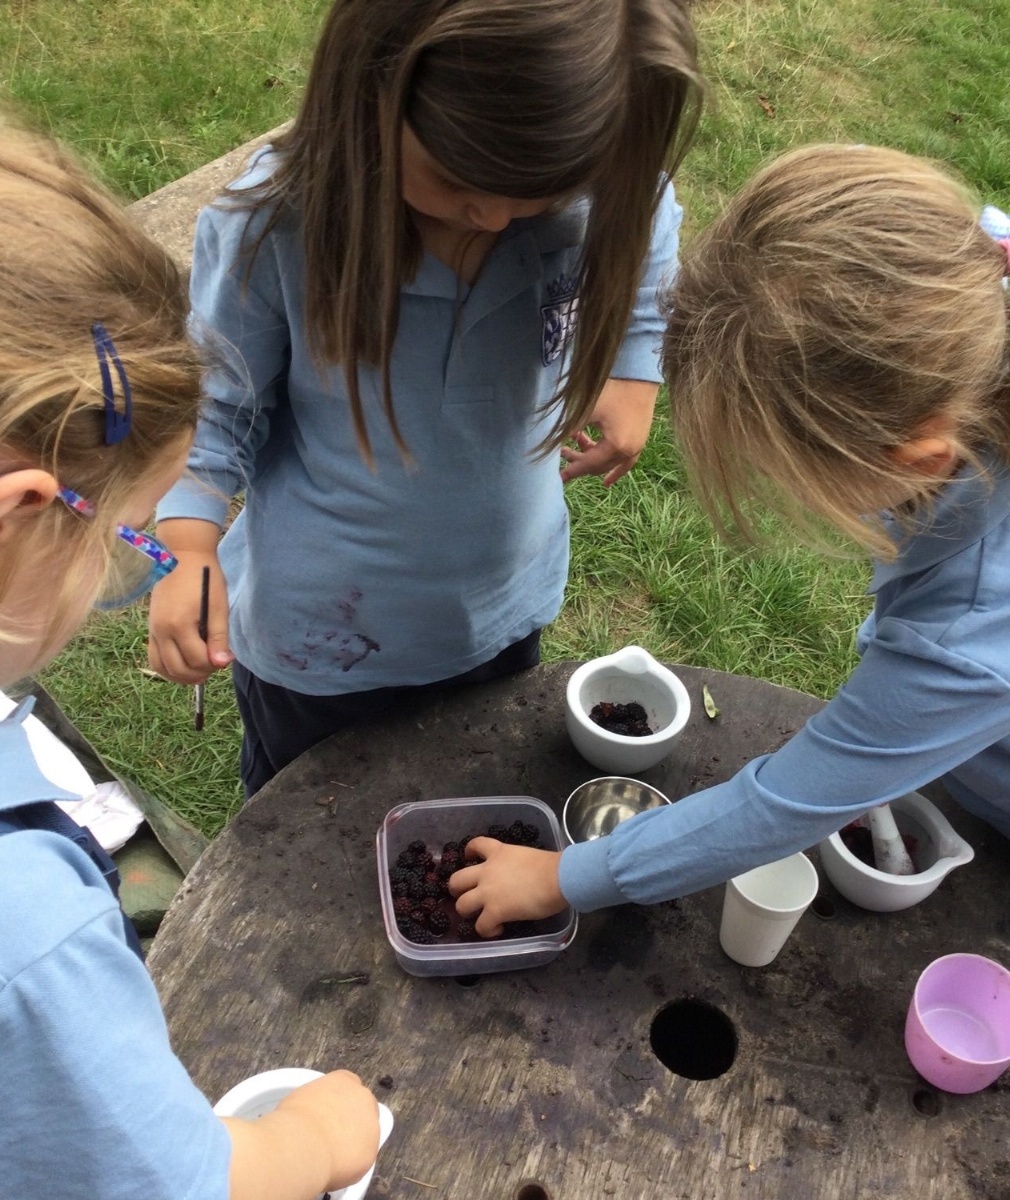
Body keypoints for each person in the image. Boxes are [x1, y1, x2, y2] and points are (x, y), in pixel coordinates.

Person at [449, 144, 1010, 953]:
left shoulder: (985, 631)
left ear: (913, 459)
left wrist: (563, 876)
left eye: (783, 475)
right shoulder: (1007, 399)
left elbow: (779, 810)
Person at [147, 0, 703, 797]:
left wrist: (634, 364)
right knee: (305, 836)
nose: (494, 216)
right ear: (370, 93)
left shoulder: (588, 181)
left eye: (535, 194)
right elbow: (218, 402)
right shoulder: (276, 227)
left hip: (501, 613)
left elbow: (649, 213)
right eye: (456, 181)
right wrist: (190, 547)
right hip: (321, 647)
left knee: (463, 808)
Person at [0, 119, 380, 1199]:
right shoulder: (32, 935)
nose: (127, 568)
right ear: (29, 511)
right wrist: (319, 1136)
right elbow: (176, 1185)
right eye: (126, 538)